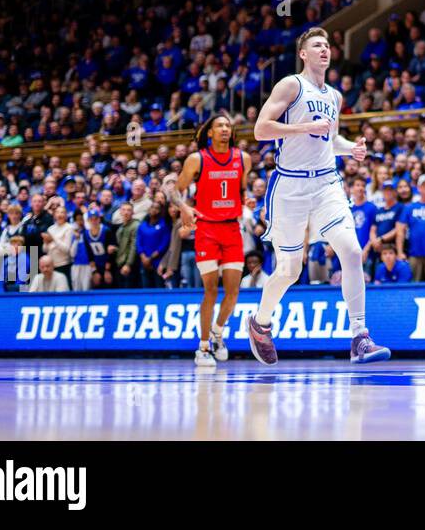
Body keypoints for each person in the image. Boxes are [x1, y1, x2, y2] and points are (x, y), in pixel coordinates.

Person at [248, 27, 390, 365]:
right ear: (303, 53)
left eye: (327, 45)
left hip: (327, 183)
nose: (324, 50)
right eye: (316, 45)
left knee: (353, 252)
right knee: (289, 271)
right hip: (291, 188)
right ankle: (261, 322)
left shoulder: (336, 96)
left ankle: (359, 337)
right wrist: (301, 128)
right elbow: (260, 129)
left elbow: (329, 140)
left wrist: (350, 148)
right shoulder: (291, 85)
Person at [162, 113, 252, 368]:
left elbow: (242, 191)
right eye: (219, 125)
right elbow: (174, 190)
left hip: (232, 230)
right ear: (209, 132)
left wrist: (248, 203)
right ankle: (202, 347)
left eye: (228, 125)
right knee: (211, 290)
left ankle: (217, 332)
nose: (225, 129)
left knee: (233, 292)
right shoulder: (197, 159)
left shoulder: (242, 158)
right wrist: (184, 207)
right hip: (207, 230)